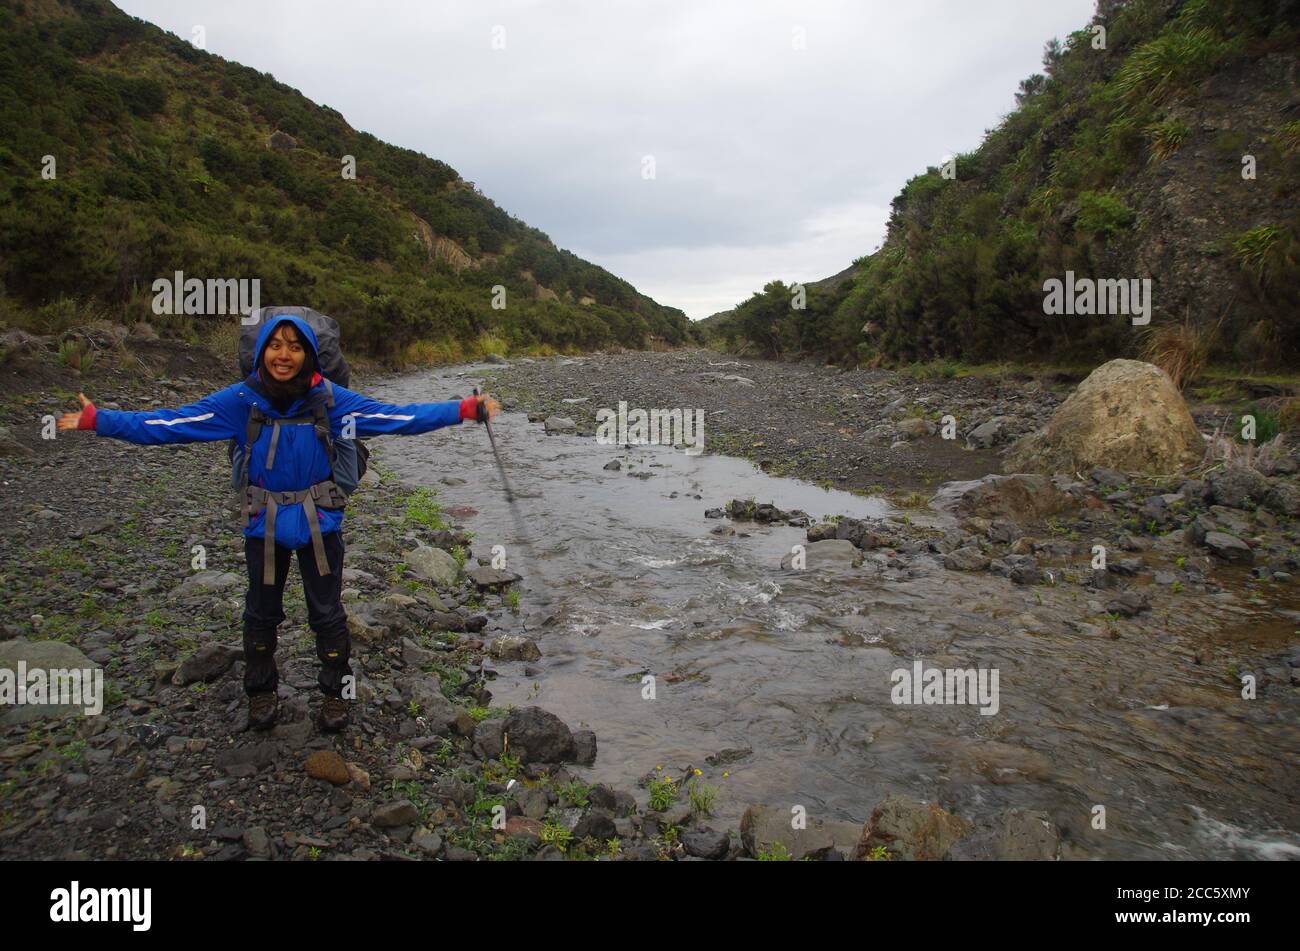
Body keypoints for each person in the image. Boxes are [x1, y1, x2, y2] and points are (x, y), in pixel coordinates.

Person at [57, 315, 500, 733]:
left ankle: (335, 694)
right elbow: (173, 423)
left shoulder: (332, 401)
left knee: (326, 614)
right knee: (260, 612)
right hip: (262, 525)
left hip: (319, 524)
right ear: (261, 352)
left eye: (293, 346)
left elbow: (399, 417)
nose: (282, 354)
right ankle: (261, 692)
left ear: (309, 353)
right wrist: (103, 421)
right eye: (274, 345)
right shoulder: (239, 402)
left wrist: (462, 408)